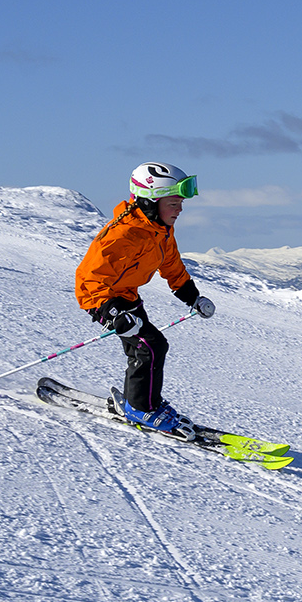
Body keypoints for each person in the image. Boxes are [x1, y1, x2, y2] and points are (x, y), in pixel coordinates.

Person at [74, 162, 215, 433]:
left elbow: (171, 265)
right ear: (151, 201)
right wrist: (111, 312)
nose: (180, 210)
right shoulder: (121, 234)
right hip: (104, 299)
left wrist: (193, 297)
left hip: (127, 296)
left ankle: (144, 402)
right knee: (149, 347)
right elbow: (88, 278)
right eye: (174, 203)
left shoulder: (160, 230)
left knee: (147, 348)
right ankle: (140, 408)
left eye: (180, 203)